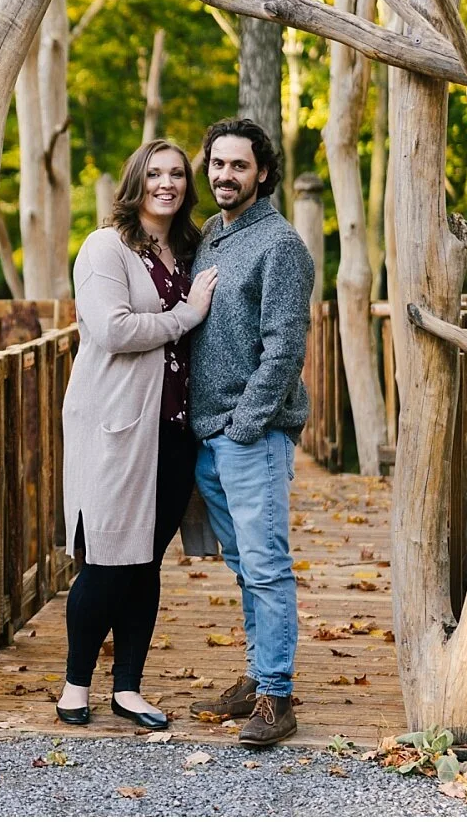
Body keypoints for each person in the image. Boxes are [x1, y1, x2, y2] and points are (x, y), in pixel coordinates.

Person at [55, 138, 218, 728]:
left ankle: (128, 687)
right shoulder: (107, 247)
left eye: (177, 174)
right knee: (106, 558)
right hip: (115, 424)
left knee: (145, 561)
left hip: (173, 429)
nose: (167, 184)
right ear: (136, 181)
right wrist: (187, 315)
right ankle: (75, 684)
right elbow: (112, 328)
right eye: (155, 173)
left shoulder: (191, 250)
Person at [185, 117, 314, 747]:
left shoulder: (281, 245)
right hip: (209, 434)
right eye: (216, 164)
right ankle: (259, 674)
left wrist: (244, 425)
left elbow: (285, 346)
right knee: (242, 566)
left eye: (238, 166)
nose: (224, 176)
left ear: (262, 172)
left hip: (249, 435)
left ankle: (278, 696)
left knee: (265, 565)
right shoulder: (212, 233)